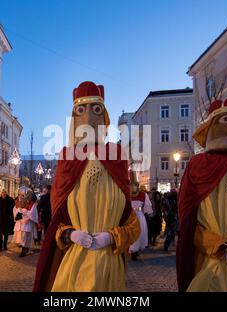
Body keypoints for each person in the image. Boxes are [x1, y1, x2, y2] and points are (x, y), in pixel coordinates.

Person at [33, 81, 140, 292]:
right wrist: (69, 234)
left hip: (108, 267)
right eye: (81, 110)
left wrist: (112, 236)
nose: (89, 117)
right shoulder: (68, 159)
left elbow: (132, 224)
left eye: (96, 109)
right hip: (74, 266)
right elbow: (57, 221)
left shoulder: (117, 157)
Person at [177, 96, 227, 292]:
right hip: (209, 258)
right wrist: (219, 244)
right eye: (226, 121)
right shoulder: (199, 164)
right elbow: (189, 218)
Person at [128, 171, 153, 260]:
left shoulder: (143, 194)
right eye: (130, 184)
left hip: (139, 216)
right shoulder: (126, 194)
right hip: (129, 217)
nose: (132, 186)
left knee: (140, 233)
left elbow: (147, 206)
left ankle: (136, 250)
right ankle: (131, 250)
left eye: (133, 184)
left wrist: (148, 213)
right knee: (129, 233)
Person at [13, 187, 39, 257]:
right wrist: (17, 215)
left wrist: (24, 214)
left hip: (27, 223)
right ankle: (24, 248)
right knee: (20, 237)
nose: (21, 197)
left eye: (23, 195)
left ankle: (24, 251)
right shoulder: (18, 202)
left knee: (25, 237)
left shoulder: (31, 204)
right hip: (20, 222)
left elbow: (33, 214)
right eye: (19, 195)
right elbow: (15, 210)